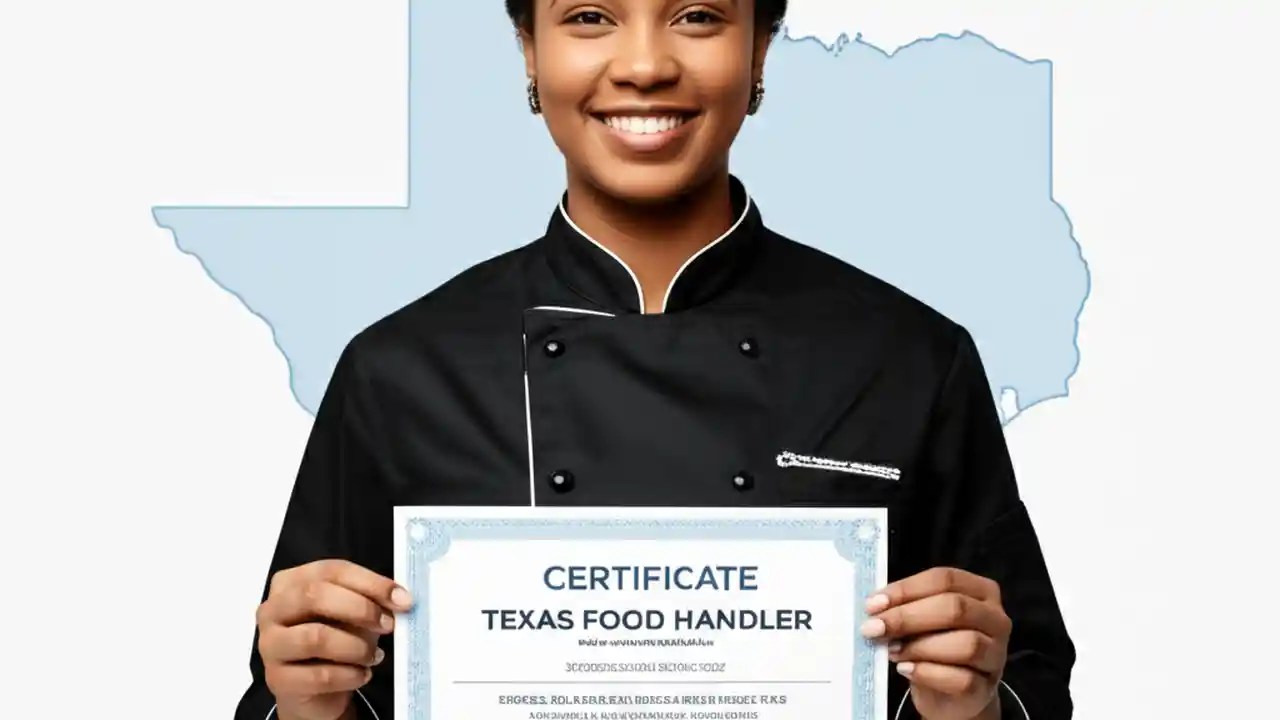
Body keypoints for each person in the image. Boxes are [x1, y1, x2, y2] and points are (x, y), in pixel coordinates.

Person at [236, 0, 1076, 718]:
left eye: (699, 15)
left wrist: (973, 704)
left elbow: (1031, 686)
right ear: (529, 52)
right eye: (591, 17)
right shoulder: (400, 372)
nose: (643, 65)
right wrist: (310, 700)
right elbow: (293, 698)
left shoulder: (909, 359)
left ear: (759, 52)